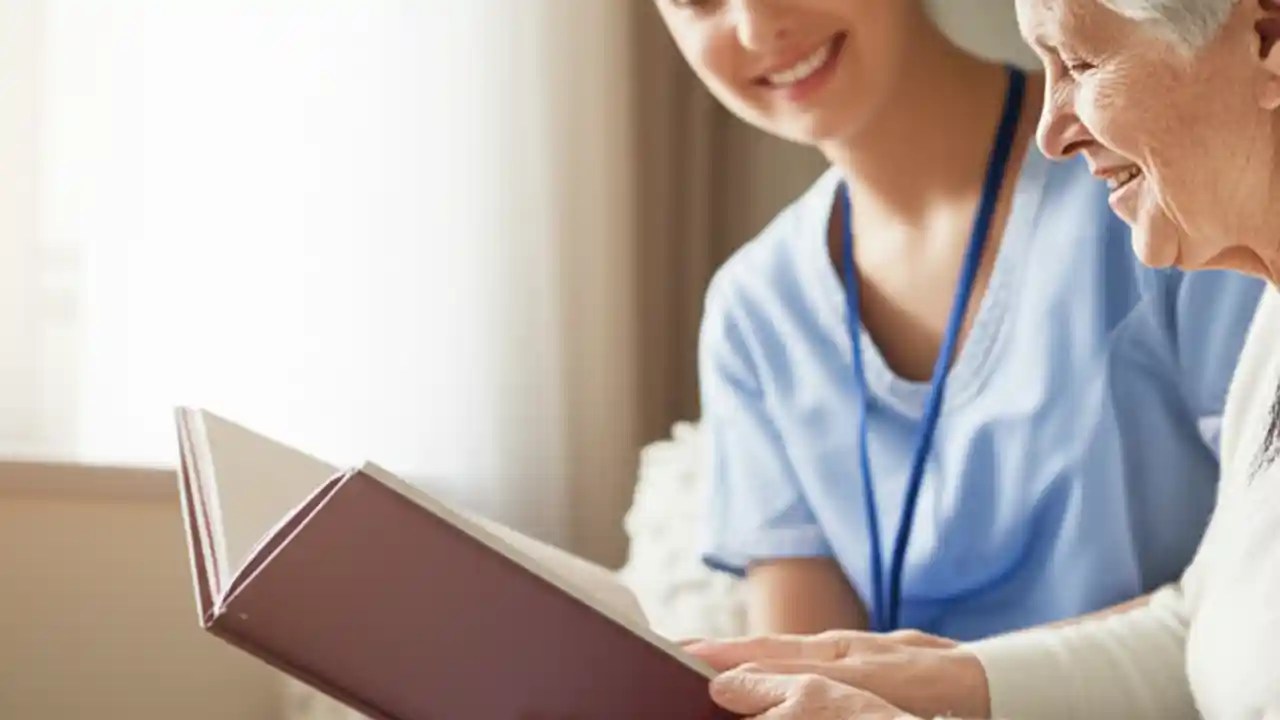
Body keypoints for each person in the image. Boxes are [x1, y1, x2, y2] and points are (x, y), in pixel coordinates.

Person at [685, 0, 1280, 717]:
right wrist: (918, 676)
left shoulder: (1181, 212)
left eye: (1083, 63)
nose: (756, 27)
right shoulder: (756, 309)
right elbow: (1216, 618)